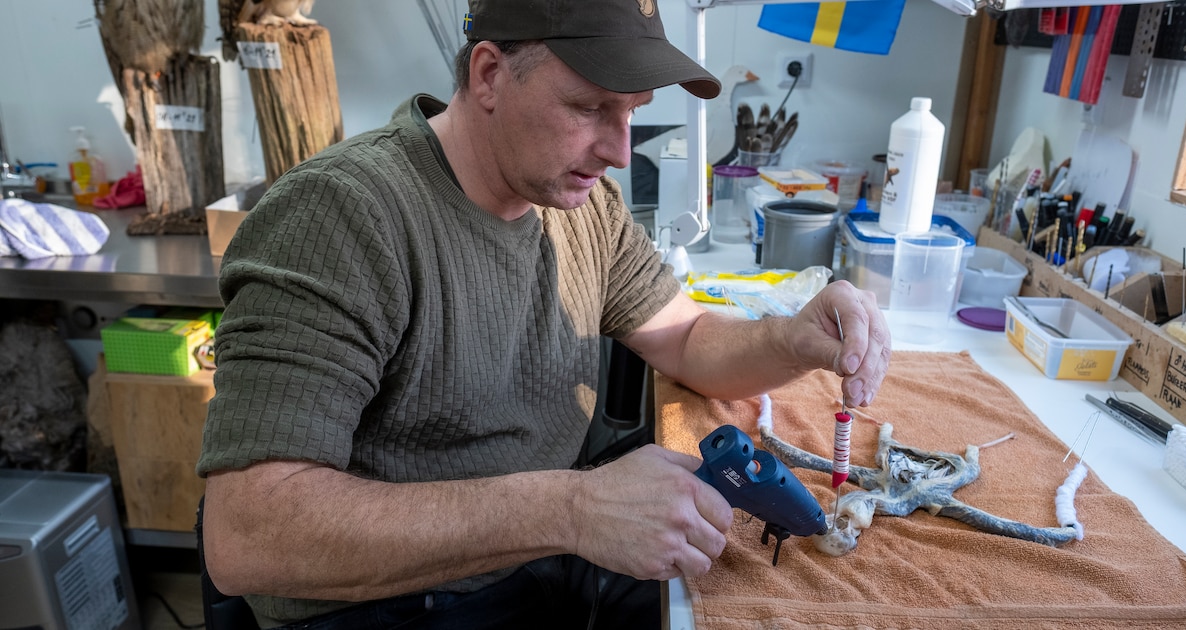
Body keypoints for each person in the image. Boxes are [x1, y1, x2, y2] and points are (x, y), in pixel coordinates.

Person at [196, 0, 891, 628]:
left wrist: (792, 338)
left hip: (538, 559)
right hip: (383, 604)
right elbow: (250, 536)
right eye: (590, 108)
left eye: (632, 110)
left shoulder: (581, 205)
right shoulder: (342, 219)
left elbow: (685, 335)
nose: (619, 151)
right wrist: (575, 508)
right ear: (491, 74)